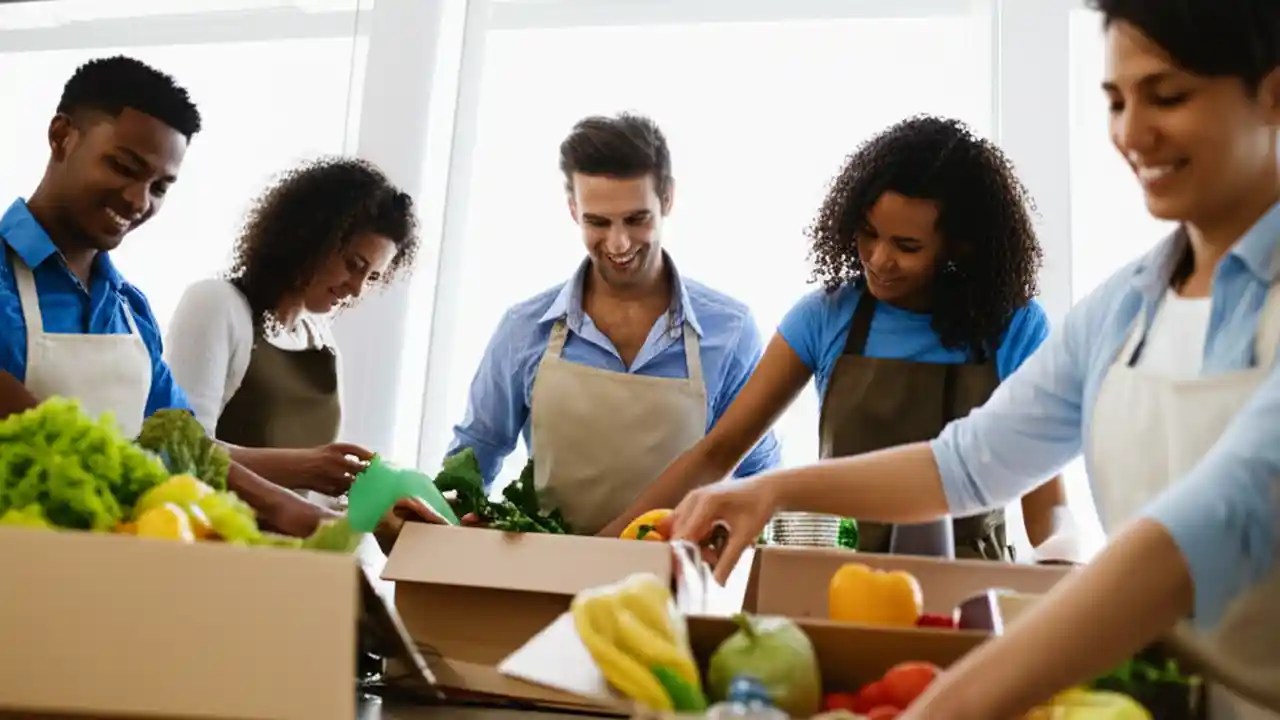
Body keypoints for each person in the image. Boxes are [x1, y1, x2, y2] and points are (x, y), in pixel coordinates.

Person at [667, 0, 1280, 715]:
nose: (1132, 132)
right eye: (1116, 100)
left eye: (1167, 96)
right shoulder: (1121, 312)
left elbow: (1208, 529)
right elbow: (965, 465)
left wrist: (943, 706)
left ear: (1272, 93)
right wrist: (767, 491)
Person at [605, 116, 1075, 561]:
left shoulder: (1013, 328)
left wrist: (1061, 565)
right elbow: (719, 450)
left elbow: (1042, 489)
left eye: (907, 246)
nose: (879, 258)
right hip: (839, 583)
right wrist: (604, 548)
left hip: (970, 591)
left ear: (960, 247)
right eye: (869, 234)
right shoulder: (826, 317)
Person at [0, 55, 333, 536]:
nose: (138, 201)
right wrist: (281, 509)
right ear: (62, 136)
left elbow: (183, 446)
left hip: (108, 582)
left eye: (159, 186)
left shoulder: (131, 311)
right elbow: (30, 424)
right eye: (122, 166)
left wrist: (313, 514)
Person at [446, 112, 781, 536]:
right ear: (573, 209)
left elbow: (759, 475)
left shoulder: (729, 331)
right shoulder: (524, 328)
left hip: (674, 583)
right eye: (598, 222)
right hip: (546, 579)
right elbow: (474, 457)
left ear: (668, 199)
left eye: (637, 219)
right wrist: (451, 525)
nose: (619, 243)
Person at [165, 156, 419, 501]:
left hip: (293, 551)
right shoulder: (216, 305)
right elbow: (178, 451)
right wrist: (301, 467)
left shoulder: (321, 343)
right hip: (215, 540)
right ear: (310, 239)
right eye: (353, 265)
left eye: (372, 277)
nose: (357, 289)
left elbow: (319, 494)